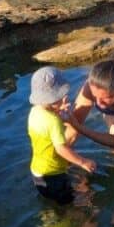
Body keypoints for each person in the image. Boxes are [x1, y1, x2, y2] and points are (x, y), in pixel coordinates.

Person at [27, 66, 96, 205]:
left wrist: (58, 109)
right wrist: (83, 162)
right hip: (53, 175)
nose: (65, 97)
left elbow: (46, 132)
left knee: (53, 202)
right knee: (73, 203)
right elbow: (61, 149)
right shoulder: (53, 121)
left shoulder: (34, 112)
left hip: (37, 172)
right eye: (61, 96)